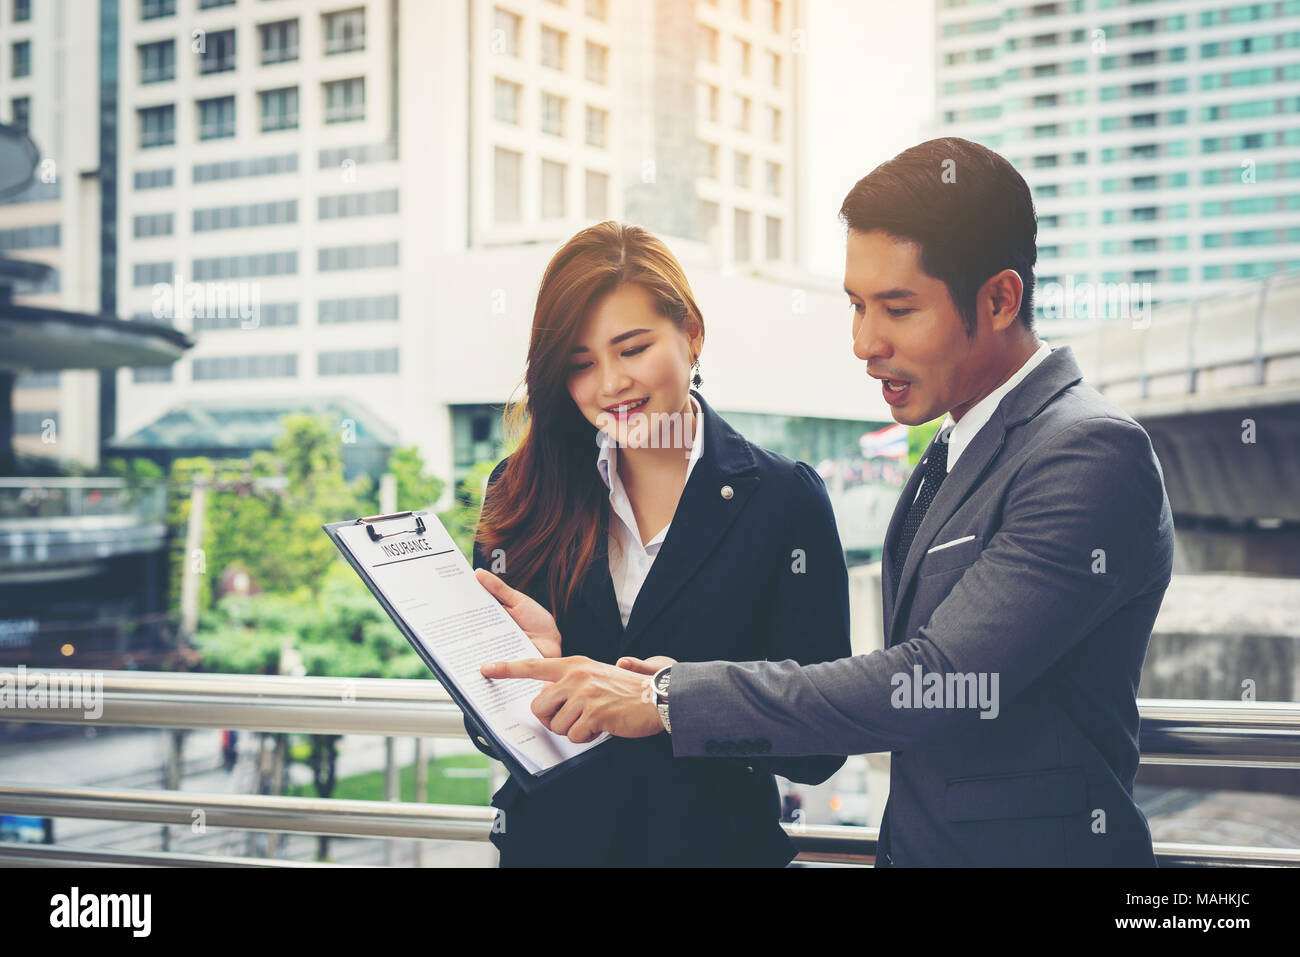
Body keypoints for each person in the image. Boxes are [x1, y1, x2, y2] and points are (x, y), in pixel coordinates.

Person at [478, 138, 1176, 867]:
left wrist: (664, 697)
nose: (862, 341)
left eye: (896, 308)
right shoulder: (949, 449)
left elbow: (935, 679)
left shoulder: (1089, 451)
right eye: (855, 305)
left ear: (999, 298)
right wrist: (520, 672)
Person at [464, 221, 851, 867]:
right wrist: (516, 676)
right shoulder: (521, 490)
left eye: (632, 347)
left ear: (691, 333)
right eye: (581, 363)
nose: (610, 382)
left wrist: (678, 701)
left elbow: (821, 743)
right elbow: (488, 731)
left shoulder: (785, 500)